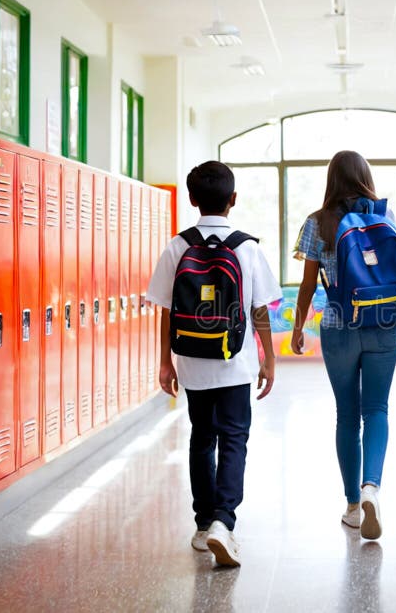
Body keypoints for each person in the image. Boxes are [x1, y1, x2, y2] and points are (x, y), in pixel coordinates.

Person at [146, 161, 282, 566]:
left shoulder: (178, 245)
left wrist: (165, 362)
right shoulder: (247, 247)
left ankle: (204, 525)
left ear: (191, 199)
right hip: (235, 360)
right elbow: (260, 310)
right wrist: (267, 358)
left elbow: (167, 310)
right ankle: (225, 520)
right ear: (233, 199)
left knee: (201, 438)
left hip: (192, 360)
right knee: (234, 438)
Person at [290, 150, 396, 540]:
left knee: (347, 414)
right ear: (365, 177)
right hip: (382, 325)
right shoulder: (385, 217)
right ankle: (371, 489)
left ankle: (351, 505)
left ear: (331, 179)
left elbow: (309, 284)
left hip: (338, 325)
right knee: (376, 409)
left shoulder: (317, 223)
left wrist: (298, 327)